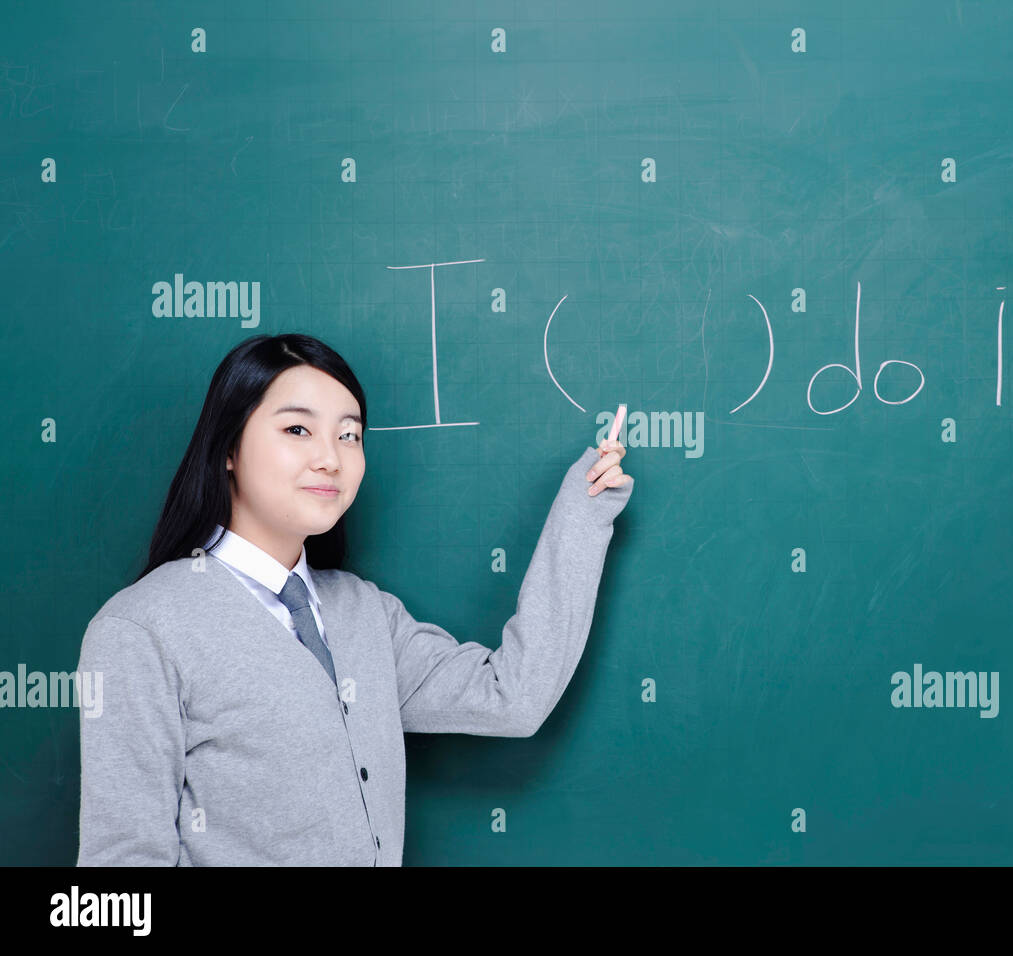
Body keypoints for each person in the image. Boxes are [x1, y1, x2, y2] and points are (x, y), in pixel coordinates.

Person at [76, 333, 633, 865]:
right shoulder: (141, 630)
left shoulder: (365, 613)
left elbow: (511, 697)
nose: (331, 459)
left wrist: (583, 512)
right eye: (297, 430)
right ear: (228, 448)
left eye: (349, 435)